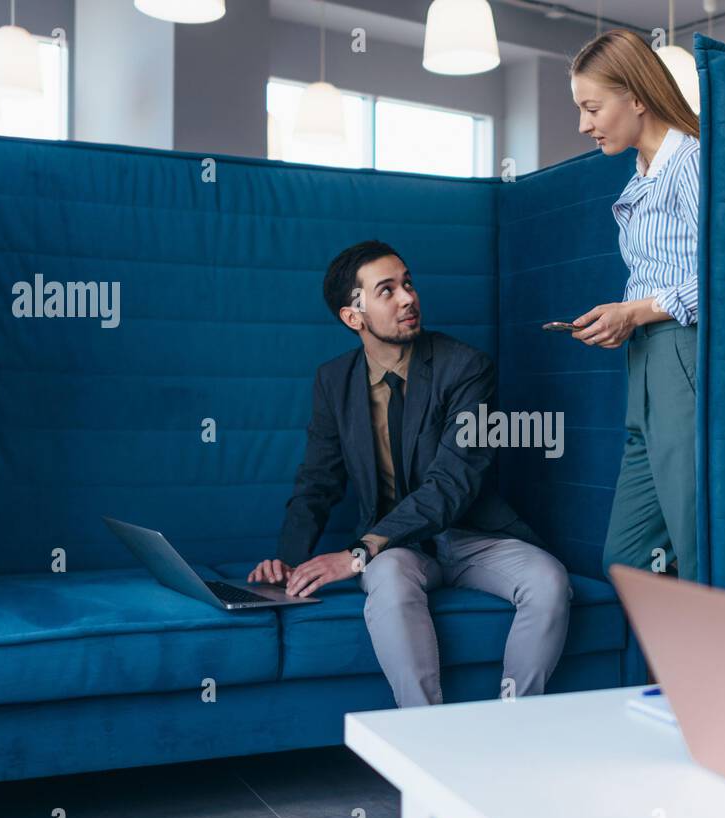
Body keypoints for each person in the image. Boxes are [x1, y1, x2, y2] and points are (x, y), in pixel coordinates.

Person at [247, 240, 572, 708]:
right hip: (394, 547)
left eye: (408, 283)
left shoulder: (466, 368)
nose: (408, 298)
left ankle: (514, 726)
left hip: (469, 534)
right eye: (387, 290)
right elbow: (318, 481)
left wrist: (358, 552)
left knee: (548, 581)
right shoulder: (333, 381)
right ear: (353, 316)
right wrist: (288, 563)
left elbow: (453, 482)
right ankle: (424, 735)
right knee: (391, 581)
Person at [569, 29, 701, 582]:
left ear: (638, 98)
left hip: (683, 360)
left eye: (592, 107)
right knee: (625, 560)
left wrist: (639, 311)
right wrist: (621, 318)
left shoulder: (692, 163)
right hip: (644, 365)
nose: (583, 125)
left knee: (699, 548)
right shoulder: (641, 175)